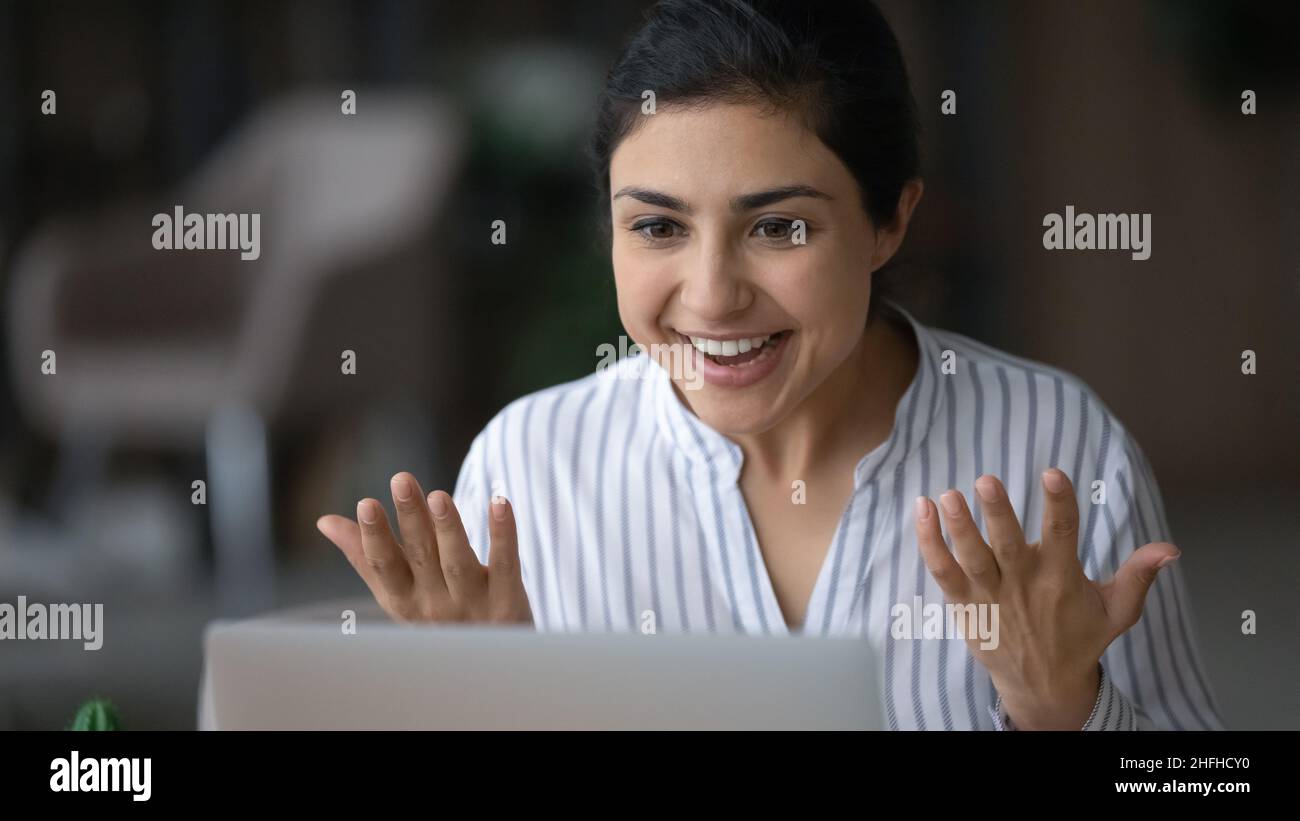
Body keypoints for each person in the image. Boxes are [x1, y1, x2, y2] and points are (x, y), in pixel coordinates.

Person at [316, 0, 1224, 730]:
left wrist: (1065, 709)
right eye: (658, 226)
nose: (711, 296)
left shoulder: (1056, 450)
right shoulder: (531, 470)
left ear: (888, 222)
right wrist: (488, 706)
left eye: (778, 226)